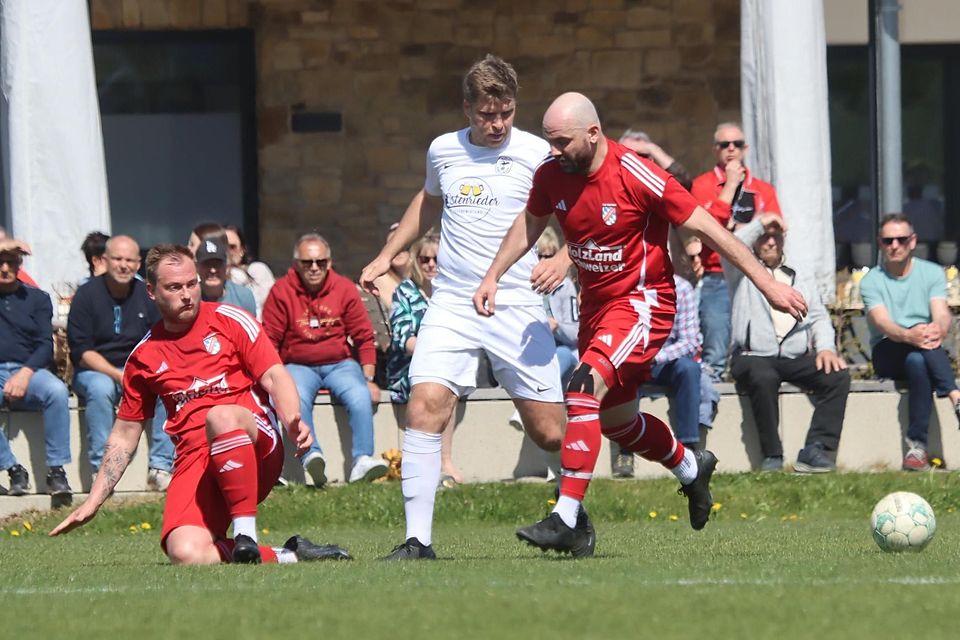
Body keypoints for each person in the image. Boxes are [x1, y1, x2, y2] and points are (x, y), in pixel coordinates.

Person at [474, 92, 806, 555]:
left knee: (582, 389)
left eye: (562, 141)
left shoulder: (637, 173)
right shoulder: (553, 173)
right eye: (549, 141)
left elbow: (710, 228)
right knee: (616, 422)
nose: (552, 151)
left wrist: (768, 285)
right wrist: (493, 274)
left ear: (593, 134)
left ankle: (566, 518)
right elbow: (530, 223)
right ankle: (692, 467)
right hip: (597, 308)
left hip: (642, 304)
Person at [360, 54, 576, 560]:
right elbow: (429, 202)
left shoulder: (539, 153)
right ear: (467, 108)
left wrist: (566, 256)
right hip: (454, 301)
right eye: (486, 114)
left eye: (505, 112)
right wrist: (386, 255)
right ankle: (417, 540)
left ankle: (573, 514)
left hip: (517, 300)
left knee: (548, 431)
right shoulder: (443, 150)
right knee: (424, 407)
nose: (497, 124)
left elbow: (576, 210)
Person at [51, 244, 351, 565]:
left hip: (252, 441)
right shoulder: (144, 356)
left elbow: (275, 375)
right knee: (186, 552)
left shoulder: (231, 319)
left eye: (191, 284)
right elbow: (125, 434)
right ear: (151, 291)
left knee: (220, 416)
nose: (187, 294)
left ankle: (246, 532)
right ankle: (291, 555)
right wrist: (94, 501)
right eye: (175, 287)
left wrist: (293, 418)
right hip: (196, 460)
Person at [724, 215, 850, 473]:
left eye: (775, 236)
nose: (770, 242)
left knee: (837, 375)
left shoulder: (800, 274)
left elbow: (817, 316)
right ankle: (772, 454)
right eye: (764, 237)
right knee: (763, 375)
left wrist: (826, 348)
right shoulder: (741, 271)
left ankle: (816, 449)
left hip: (793, 357)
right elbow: (730, 245)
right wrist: (761, 222)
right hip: (752, 355)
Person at [262, 233, 388, 486]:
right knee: (294, 396)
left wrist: (369, 378)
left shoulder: (343, 288)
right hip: (297, 364)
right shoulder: (281, 291)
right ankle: (311, 455)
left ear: (329, 263)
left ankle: (362, 461)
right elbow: (269, 342)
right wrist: (272, 380)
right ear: (297, 264)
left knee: (359, 394)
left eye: (320, 262)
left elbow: (363, 336)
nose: (314, 268)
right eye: (307, 263)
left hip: (340, 363)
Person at [68, 235, 175, 489]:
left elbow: (158, 342)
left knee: (168, 383)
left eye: (129, 260)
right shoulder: (86, 295)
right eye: (117, 259)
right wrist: (119, 375)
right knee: (100, 388)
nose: (123, 265)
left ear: (139, 264)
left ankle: (160, 467)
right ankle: (102, 472)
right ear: (104, 260)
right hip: (95, 370)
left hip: (138, 368)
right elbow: (82, 351)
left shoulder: (145, 295)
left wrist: (137, 372)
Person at [860, 213, 960, 471]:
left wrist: (938, 329)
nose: (894, 245)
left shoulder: (932, 273)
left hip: (922, 348)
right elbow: (883, 323)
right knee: (917, 346)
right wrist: (910, 334)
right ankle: (956, 396)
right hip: (887, 348)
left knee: (917, 361)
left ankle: (917, 450)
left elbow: (940, 312)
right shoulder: (871, 280)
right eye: (888, 240)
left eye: (901, 239)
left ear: (912, 241)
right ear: (880, 244)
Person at [691, 123, 782, 381]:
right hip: (716, 274)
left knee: (758, 350)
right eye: (724, 145)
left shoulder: (764, 189)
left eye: (737, 144)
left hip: (754, 275)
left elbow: (775, 229)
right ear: (715, 150)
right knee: (716, 352)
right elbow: (705, 230)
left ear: (746, 148)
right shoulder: (702, 185)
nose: (731, 149)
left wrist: (734, 227)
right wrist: (730, 185)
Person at [612, 271, 720, 478]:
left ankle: (688, 448)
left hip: (666, 358)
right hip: (633, 355)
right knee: (624, 371)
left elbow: (689, 341)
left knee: (689, 369)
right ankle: (625, 452)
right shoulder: (626, 287)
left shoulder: (683, 289)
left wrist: (656, 357)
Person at [387, 234, 462, 486]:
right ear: (416, 262)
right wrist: (436, 352)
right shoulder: (405, 292)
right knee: (441, 382)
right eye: (425, 259)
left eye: (437, 259)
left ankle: (446, 461)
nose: (431, 265)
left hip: (445, 363)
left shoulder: (451, 292)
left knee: (446, 380)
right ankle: (436, 464)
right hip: (407, 369)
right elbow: (403, 337)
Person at [0, 242, 72, 497]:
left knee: (56, 390)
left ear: (20, 266)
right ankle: (12, 468)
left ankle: (56, 471)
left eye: (12, 262)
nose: (5, 268)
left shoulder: (37, 298)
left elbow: (44, 346)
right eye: (0, 261)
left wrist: (24, 374)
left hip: (28, 369)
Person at [508, 226, 579, 431]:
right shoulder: (521, 286)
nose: (542, 262)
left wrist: (555, 326)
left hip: (563, 351)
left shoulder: (565, 286)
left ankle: (525, 412)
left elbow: (575, 334)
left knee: (560, 355)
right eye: (538, 255)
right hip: (531, 351)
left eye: (548, 256)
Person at [195, 235, 258, 318]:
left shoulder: (243, 297)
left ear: (227, 267)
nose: (213, 270)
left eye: (217, 264)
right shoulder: (192, 298)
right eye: (207, 264)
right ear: (197, 267)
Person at [224, 225, 275, 320]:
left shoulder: (258, 271)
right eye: (223, 247)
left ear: (242, 250)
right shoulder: (213, 277)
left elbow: (271, 308)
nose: (227, 252)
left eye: (232, 247)